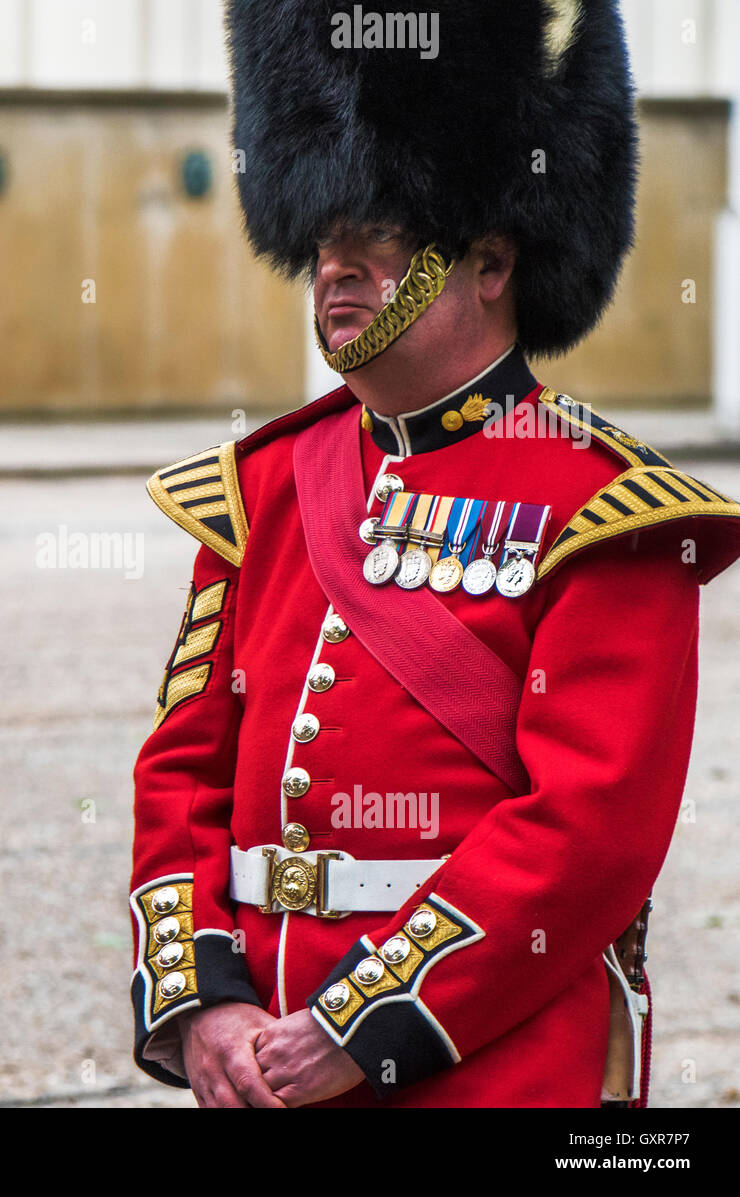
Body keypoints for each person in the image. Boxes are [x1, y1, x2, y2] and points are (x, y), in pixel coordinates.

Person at [129, 0, 740, 1108]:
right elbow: (181, 772)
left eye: (376, 245)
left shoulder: (604, 508)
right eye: (321, 244)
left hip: (489, 1065)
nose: (334, 272)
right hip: (260, 1056)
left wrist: (366, 1027)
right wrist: (204, 1002)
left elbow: (585, 835)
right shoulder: (261, 488)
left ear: (490, 261)